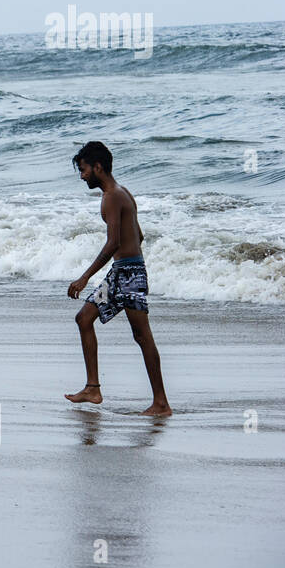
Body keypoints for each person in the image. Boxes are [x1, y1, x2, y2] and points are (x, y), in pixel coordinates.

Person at [66, 141, 172, 416]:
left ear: (98, 167)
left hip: (128, 275)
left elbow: (113, 242)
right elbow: (139, 235)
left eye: (84, 170)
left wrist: (84, 277)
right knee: (84, 318)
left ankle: (161, 403)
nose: (82, 176)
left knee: (142, 335)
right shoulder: (124, 192)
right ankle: (93, 388)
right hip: (124, 272)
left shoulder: (112, 196)